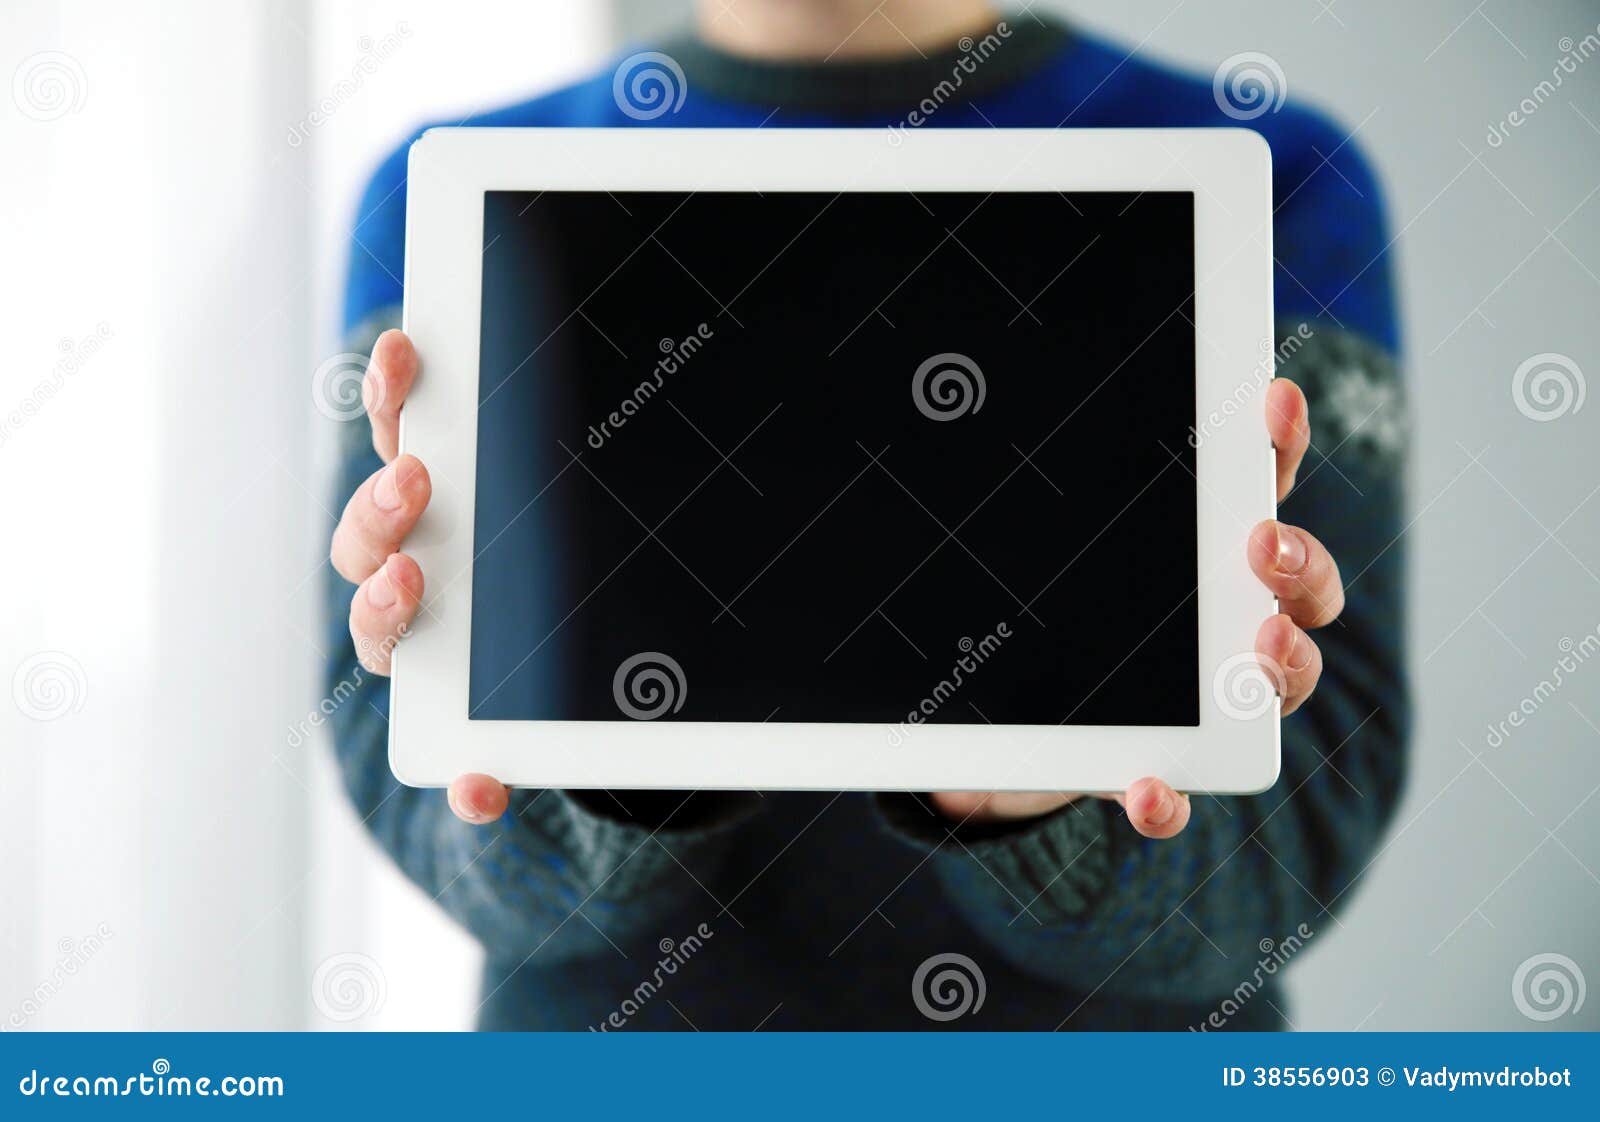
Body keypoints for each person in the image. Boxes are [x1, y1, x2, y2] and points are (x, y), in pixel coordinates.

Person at [325, 0, 1407, 1030]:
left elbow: (1297, 831)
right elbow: (425, 799)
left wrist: (1041, 809)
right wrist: (605, 775)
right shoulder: (456, 193)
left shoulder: (1274, 173)